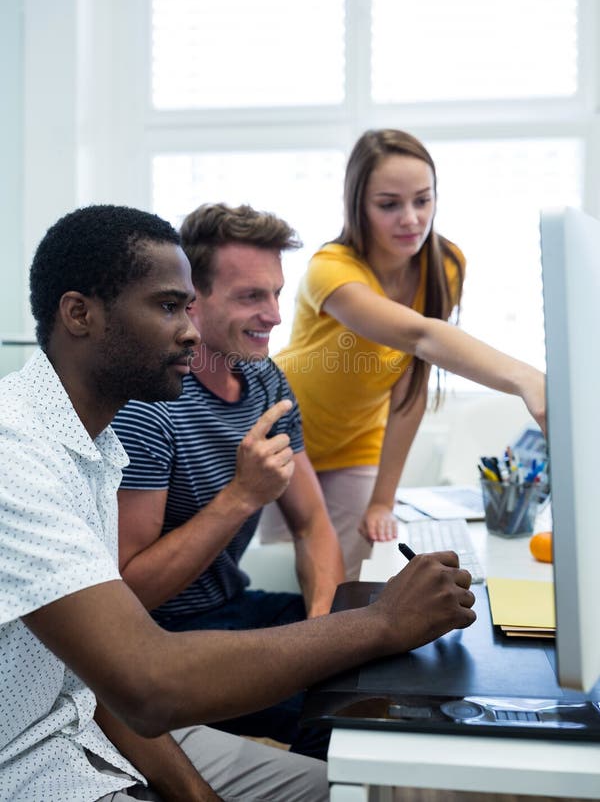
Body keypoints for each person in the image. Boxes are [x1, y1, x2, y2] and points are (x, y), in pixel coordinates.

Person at [0, 203, 476, 801]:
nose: (191, 330)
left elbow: (94, 686)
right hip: (36, 761)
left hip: (93, 724)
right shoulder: (18, 453)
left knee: (359, 779)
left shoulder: (100, 445)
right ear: (79, 314)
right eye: (172, 306)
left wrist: (199, 794)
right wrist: (379, 622)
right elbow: (144, 676)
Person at [111, 202, 345, 754]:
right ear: (193, 301)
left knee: (378, 661)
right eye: (250, 297)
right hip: (169, 640)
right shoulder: (152, 406)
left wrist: (320, 633)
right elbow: (129, 591)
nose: (274, 316)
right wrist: (242, 496)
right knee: (336, 716)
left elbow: (313, 525)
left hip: (238, 607)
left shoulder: (265, 380)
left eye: (276, 293)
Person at [260, 129, 546, 579]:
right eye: (389, 204)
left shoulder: (445, 265)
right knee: (302, 568)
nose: (411, 219)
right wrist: (527, 379)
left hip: (358, 440)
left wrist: (382, 500)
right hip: (287, 430)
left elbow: (412, 381)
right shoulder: (329, 269)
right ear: (359, 205)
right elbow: (419, 336)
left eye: (423, 200)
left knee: (349, 576)